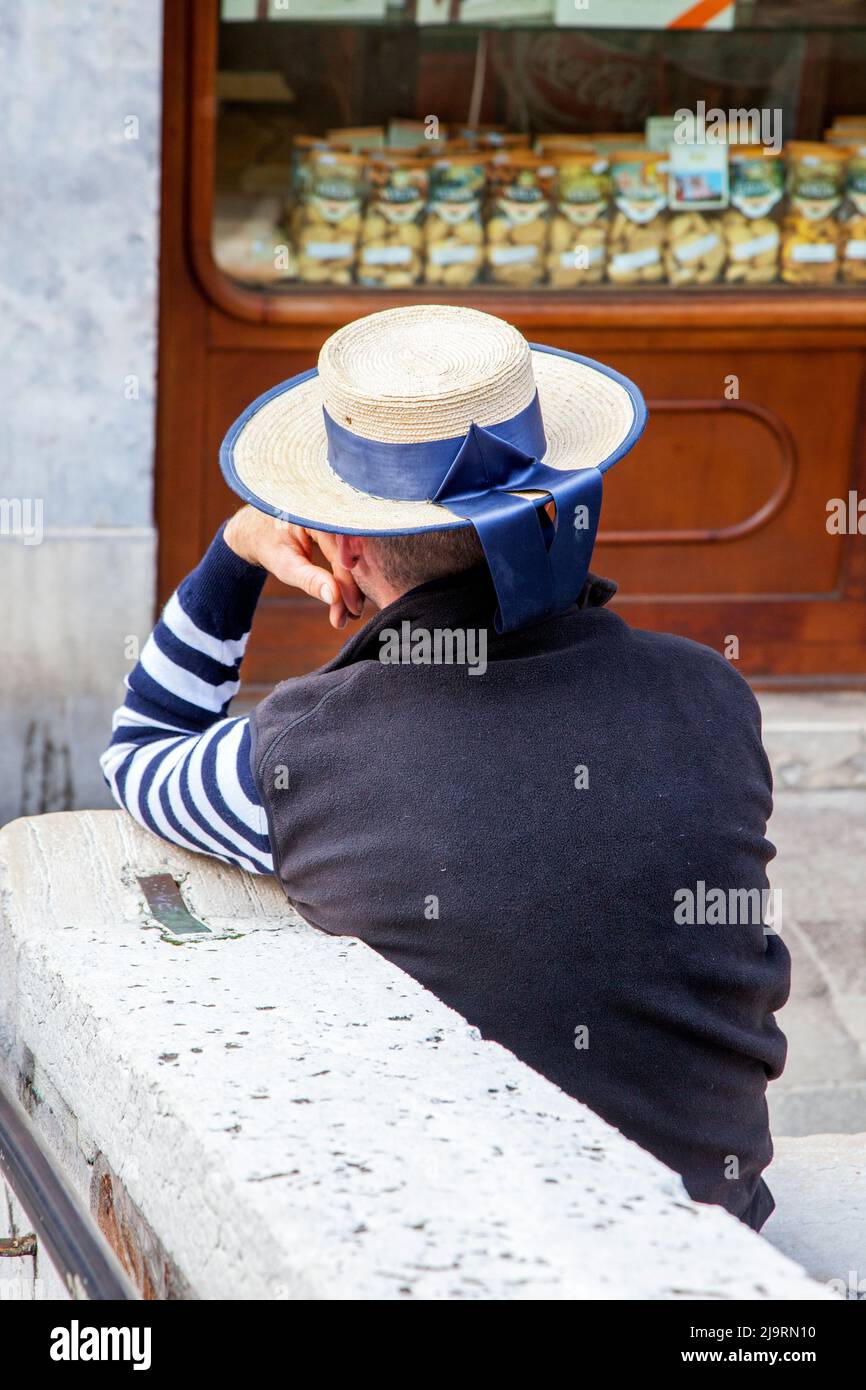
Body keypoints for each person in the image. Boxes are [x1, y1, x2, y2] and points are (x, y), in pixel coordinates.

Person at [102, 304, 789, 1230]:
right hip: (722, 1231)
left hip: (460, 1244)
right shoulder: (711, 695)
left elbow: (141, 748)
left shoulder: (298, 750)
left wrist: (235, 556)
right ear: (556, 501)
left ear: (343, 550)